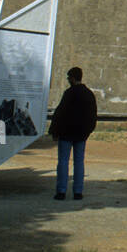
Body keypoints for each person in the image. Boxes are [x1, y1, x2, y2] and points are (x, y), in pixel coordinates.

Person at [48, 67, 97, 201]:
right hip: (81, 134)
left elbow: (60, 112)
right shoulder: (88, 94)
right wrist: (88, 131)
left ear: (73, 78)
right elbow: (93, 115)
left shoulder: (69, 93)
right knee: (79, 162)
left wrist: (54, 130)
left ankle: (61, 191)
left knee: (63, 162)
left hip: (66, 133)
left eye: (69, 77)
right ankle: (78, 192)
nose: (68, 80)